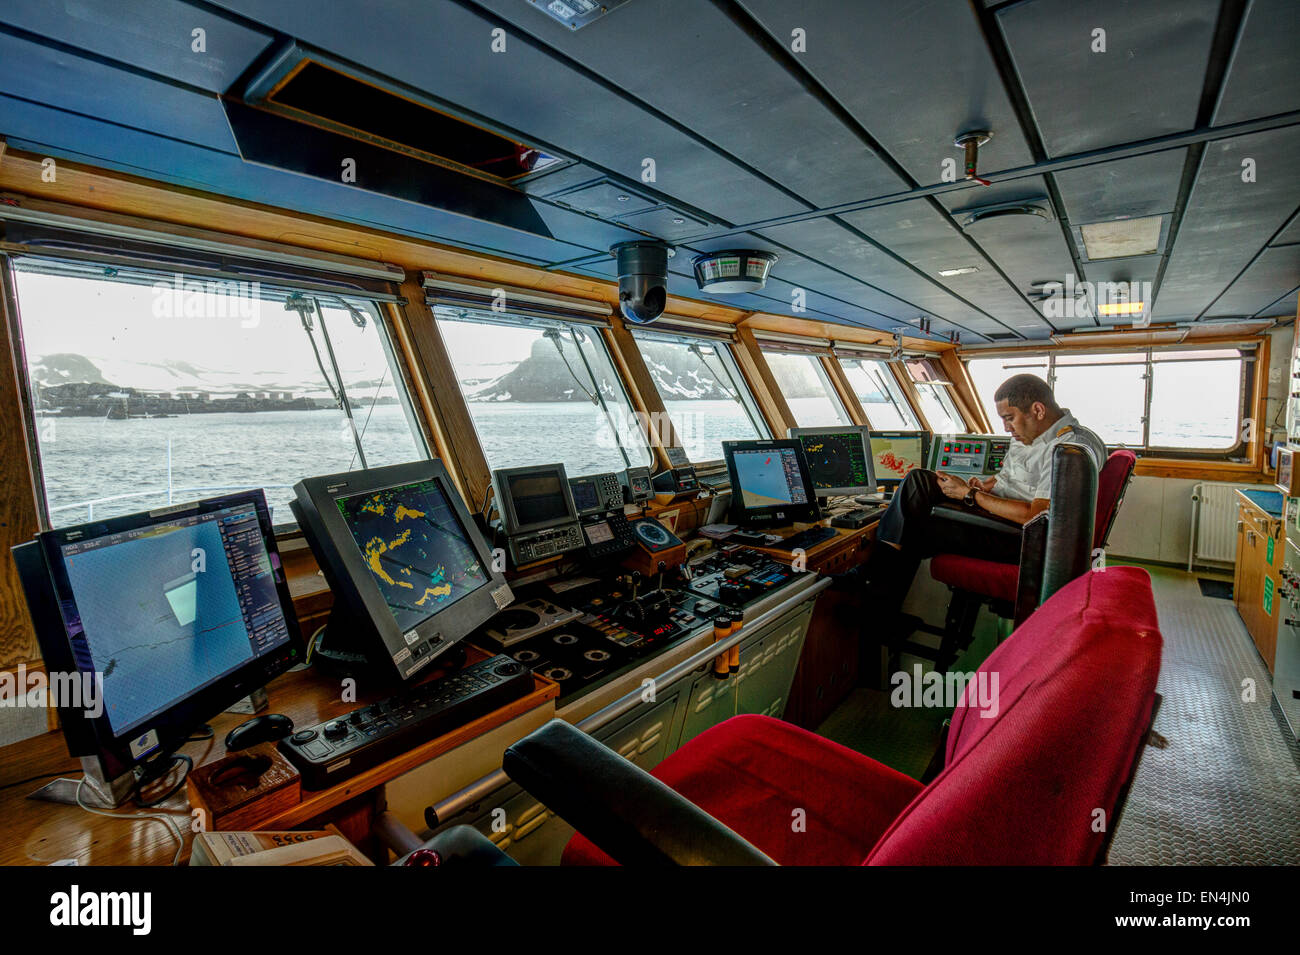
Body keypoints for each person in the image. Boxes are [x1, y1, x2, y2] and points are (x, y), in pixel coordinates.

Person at [858, 373, 1106, 629]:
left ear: (1038, 410)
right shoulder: (1030, 435)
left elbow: (1038, 515)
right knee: (920, 487)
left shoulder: (1068, 445)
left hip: (1024, 540)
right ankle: (882, 611)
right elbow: (1010, 480)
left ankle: (873, 595)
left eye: (1010, 418)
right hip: (1004, 522)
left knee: (915, 512)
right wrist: (984, 485)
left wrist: (971, 496)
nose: (1006, 428)